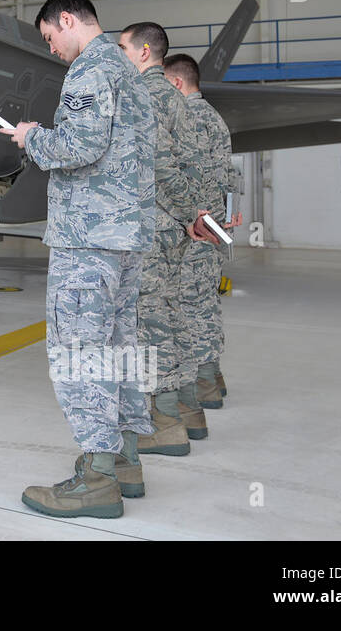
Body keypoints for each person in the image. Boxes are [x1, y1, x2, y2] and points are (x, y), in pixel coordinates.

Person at [1, 0, 154, 519]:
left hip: (88, 238)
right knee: (121, 346)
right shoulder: (131, 72)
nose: (54, 49)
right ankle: (127, 459)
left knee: (80, 352)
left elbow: (80, 145)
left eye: (50, 37)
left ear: (67, 20)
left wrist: (31, 137)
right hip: (127, 235)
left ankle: (97, 478)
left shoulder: (90, 69)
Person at [117, 23, 199, 466]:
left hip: (153, 225)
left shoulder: (145, 93)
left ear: (144, 50)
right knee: (165, 314)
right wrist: (193, 214)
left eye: (123, 47)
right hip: (170, 227)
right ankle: (174, 413)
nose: (119, 54)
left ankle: (160, 423)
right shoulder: (174, 95)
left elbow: (161, 164)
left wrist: (188, 213)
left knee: (147, 324)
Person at [164, 53, 241, 417]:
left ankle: (200, 384)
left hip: (196, 227)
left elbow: (182, 177)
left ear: (177, 83)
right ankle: (211, 377)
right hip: (213, 225)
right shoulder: (215, 118)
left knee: (188, 307)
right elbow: (228, 175)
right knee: (205, 302)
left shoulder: (188, 117)